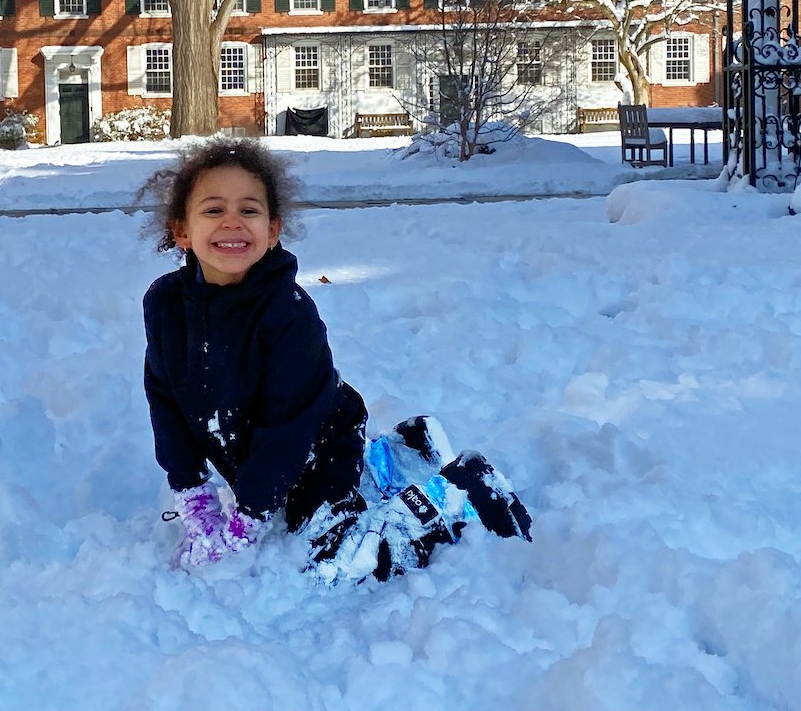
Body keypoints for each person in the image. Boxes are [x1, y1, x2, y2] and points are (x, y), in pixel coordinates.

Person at [142, 137, 532, 585]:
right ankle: (408, 447)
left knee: (330, 560)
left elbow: (289, 424)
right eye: (213, 210)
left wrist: (248, 516)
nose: (232, 222)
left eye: (249, 210)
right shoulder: (165, 304)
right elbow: (165, 397)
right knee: (298, 525)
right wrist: (193, 494)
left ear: (272, 230)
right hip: (261, 461)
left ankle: (463, 491)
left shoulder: (288, 314)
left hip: (318, 445)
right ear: (182, 230)